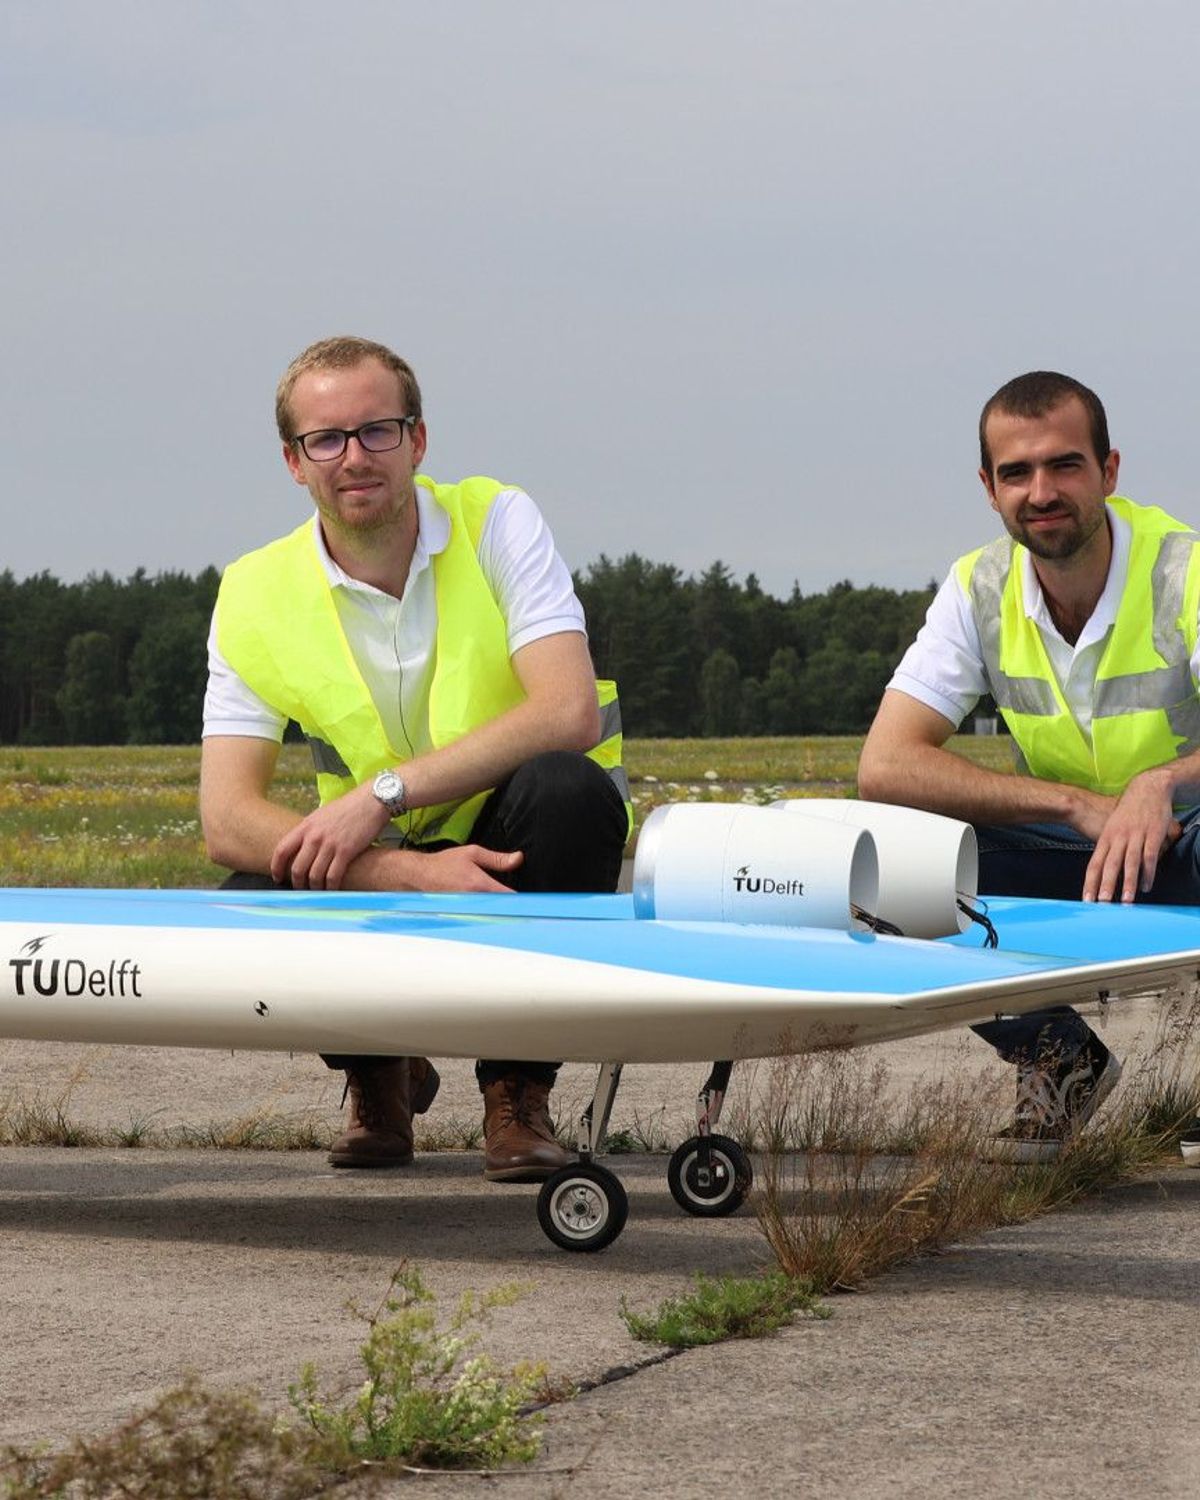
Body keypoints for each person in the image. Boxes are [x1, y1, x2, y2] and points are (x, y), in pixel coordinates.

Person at [199, 335, 630, 1180]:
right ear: (293, 462)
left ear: (418, 441)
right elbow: (227, 819)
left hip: (517, 835)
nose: (353, 457)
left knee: (569, 791)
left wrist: (382, 797)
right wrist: (394, 868)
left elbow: (568, 709)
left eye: (378, 431)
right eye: (326, 439)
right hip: (381, 860)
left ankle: (516, 1090)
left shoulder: (496, 518)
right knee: (254, 890)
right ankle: (377, 1071)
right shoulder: (253, 591)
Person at [859, 370, 1200, 1162]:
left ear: (1110, 471)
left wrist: (1159, 785)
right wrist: (1077, 805)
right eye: (1017, 472)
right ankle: (1061, 1063)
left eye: (1065, 465)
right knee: (875, 863)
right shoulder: (978, 588)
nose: (1041, 491)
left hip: (1186, 838)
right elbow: (886, 765)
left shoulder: (1182, 570)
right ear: (988, 487)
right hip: (1069, 846)